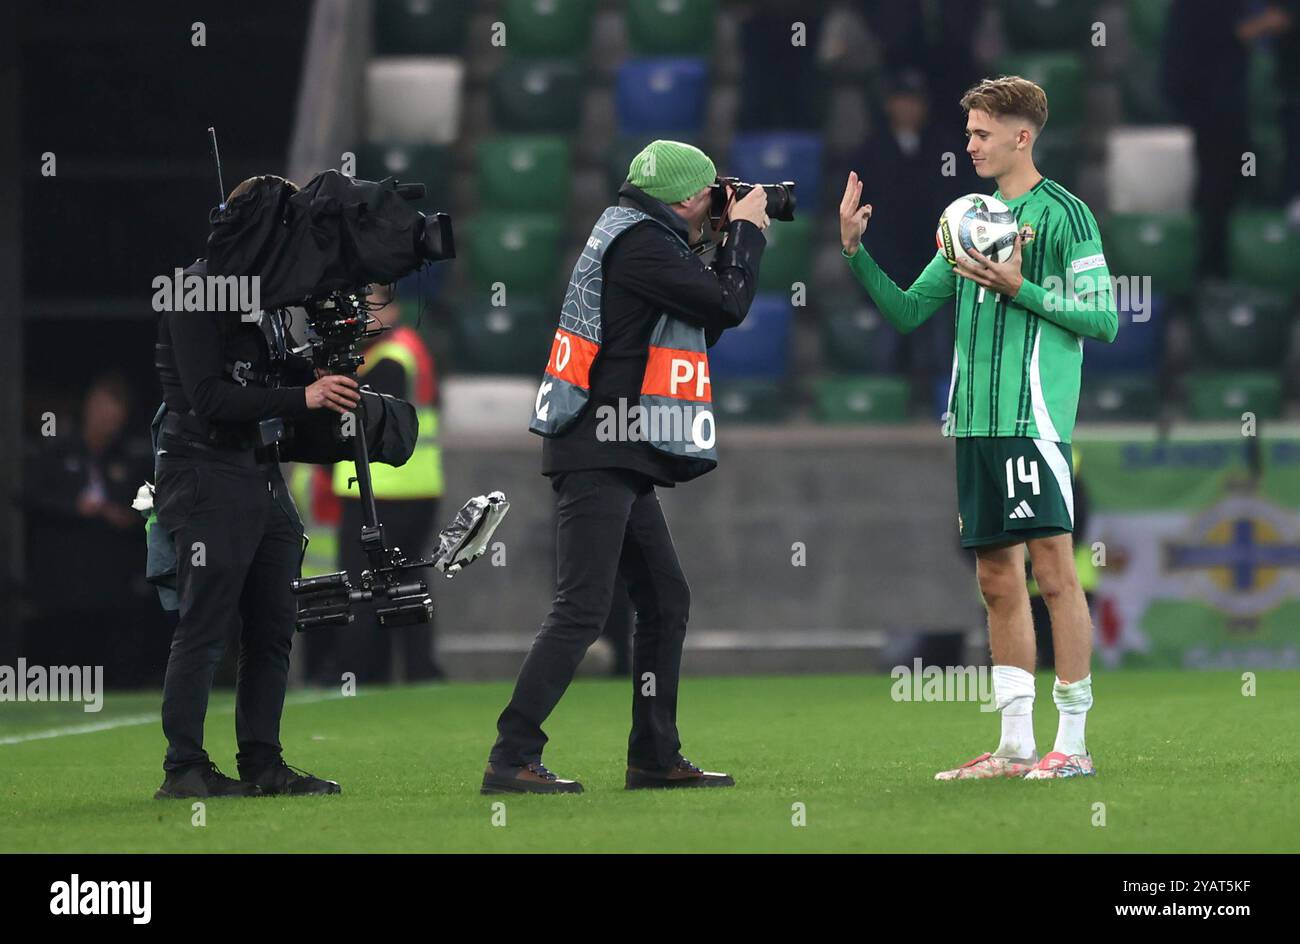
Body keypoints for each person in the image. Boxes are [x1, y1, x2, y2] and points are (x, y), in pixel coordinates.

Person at [839, 76, 1118, 780]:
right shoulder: (965, 218)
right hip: (973, 422)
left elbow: (1105, 319)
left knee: (1055, 575)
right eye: (968, 133)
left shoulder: (1066, 216)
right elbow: (907, 311)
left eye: (980, 133)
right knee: (998, 580)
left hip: (1034, 420)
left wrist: (1020, 287)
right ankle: (1016, 746)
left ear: (1021, 137)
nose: (968, 144)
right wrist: (854, 252)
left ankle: (1075, 744)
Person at [481, 140, 770, 794]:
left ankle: (652, 755)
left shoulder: (636, 235)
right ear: (692, 197)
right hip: (600, 448)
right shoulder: (643, 245)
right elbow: (727, 306)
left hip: (614, 447)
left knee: (665, 598)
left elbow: (704, 314)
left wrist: (723, 243)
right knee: (581, 608)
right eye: (711, 199)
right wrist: (747, 233)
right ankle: (511, 755)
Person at [152, 175, 361, 799]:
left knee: (273, 624)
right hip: (202, 471)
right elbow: (209, 397)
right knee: (206, 625)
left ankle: (262, 762)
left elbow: (264, 369)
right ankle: (183, 767)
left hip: (257, 471)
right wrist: (306, 394)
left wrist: (314, 366)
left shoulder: (263, 298)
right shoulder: (191, 291)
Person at [314, 285, 446, 684]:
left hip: (381, 488)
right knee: (403, 581)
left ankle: (361, 673)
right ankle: (418, 672)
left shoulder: (389, 358)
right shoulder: (408, 347)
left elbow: (361, 416)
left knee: (364, 585)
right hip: (414, 487)